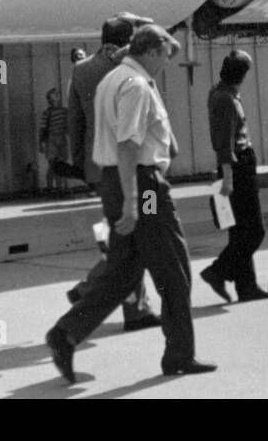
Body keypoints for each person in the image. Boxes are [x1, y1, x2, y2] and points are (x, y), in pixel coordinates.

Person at [46, 25, 215, 383]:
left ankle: (66, 333)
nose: (165, 65)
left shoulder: (112, 79)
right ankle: (180, 355)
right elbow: (128, 145)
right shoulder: (136, 86)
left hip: (114, 181)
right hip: (144, 187)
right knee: (174, 268)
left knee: (123, 271)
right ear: (151, 51)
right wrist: (134, 203)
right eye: (166, 57)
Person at [62, 13, 159, 331]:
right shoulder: (133, 70)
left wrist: (82, 164)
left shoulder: (81, 70)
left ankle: (127, 305)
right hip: (135, 167)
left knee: (128, 237)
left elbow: (74, 122)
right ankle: (101, 294)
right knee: (138, 237)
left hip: (98, 167)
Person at [201, 50, 268, 303]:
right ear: (241, 75)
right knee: (254, 231)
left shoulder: (223, 93)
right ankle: (217, 271)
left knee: (240, 231)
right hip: (237, 167)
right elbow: (224, 143)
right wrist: (228, 179)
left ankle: (247, 286)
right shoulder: (225, 99)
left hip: (239, 164)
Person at [37, 87, 69, 194]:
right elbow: (42, 128)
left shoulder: (64, 111)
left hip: (62, 138)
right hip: (51, 139)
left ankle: (62, 187)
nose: (57, 95)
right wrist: (41, 142)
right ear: (49, 99)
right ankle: (50, 187)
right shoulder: (47, 113)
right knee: (52, 164)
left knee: (62, 164)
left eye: (58, 93)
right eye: (54, 94)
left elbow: (67, 126)